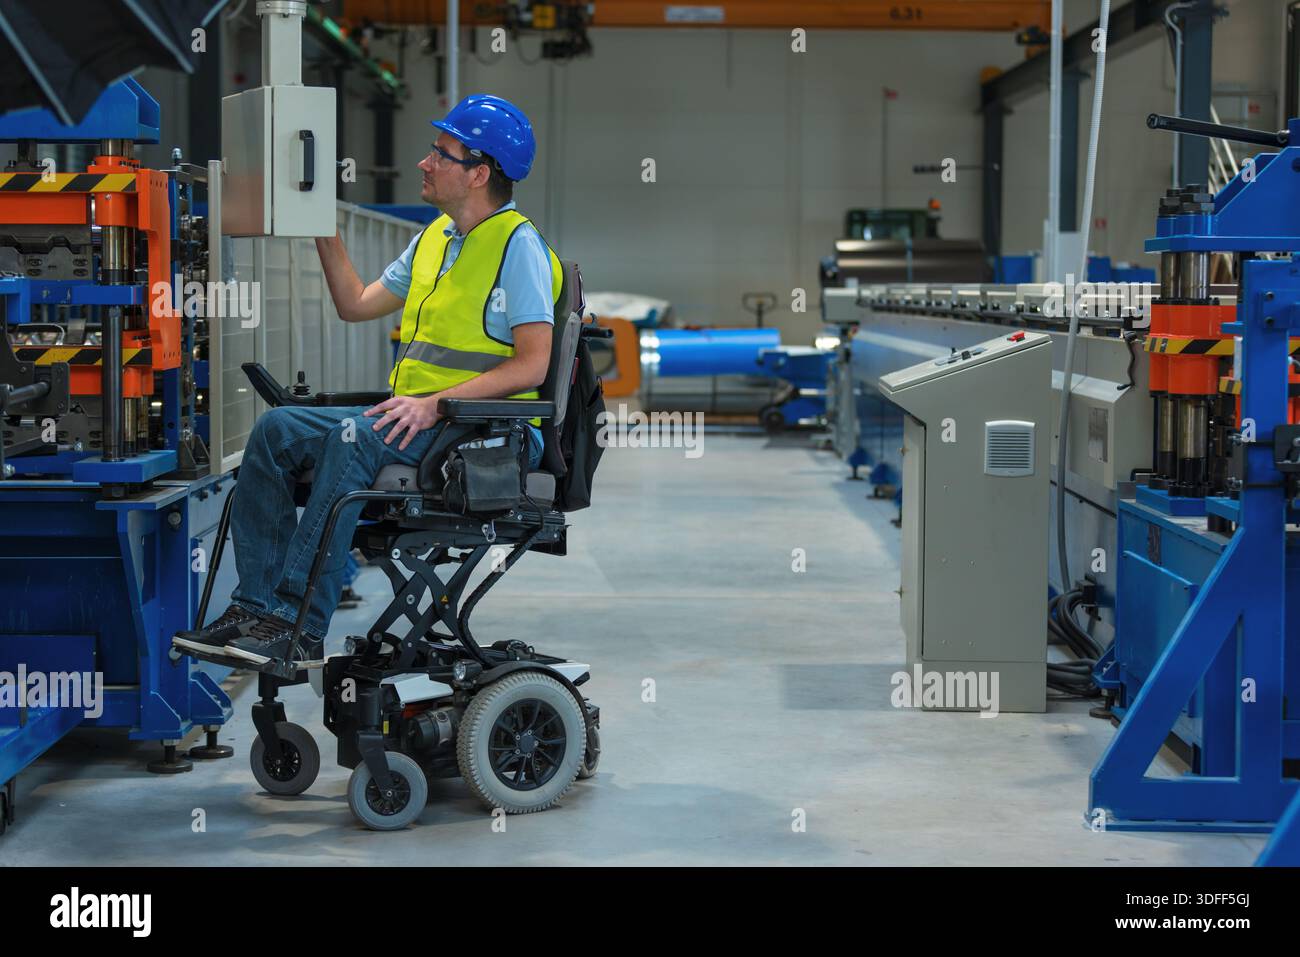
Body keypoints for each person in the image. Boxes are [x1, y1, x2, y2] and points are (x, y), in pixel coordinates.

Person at [173, 94, 561, 671]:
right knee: (277, 429)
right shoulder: (436, 238)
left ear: (478, 173)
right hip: (424, 419)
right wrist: (323, 230)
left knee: (352, 440)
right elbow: (355, 304)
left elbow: (532, 366)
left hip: (487, 432)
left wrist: (436, 404)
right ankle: (254, 607)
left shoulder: (518, 248)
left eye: (442, 153)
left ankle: (296, 625)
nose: (425, 163)